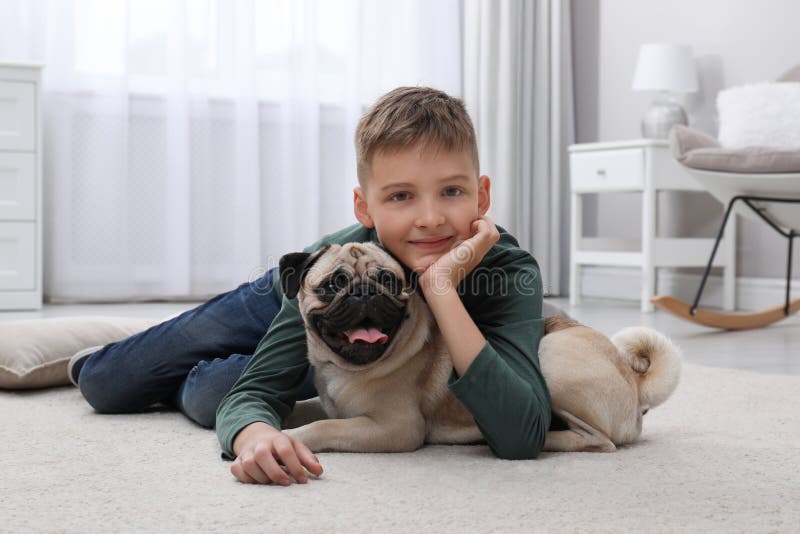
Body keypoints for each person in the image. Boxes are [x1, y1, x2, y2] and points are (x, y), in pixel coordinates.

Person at [71, 86, 552, 487]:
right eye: (401, 196)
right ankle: (103, 347)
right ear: (364, 209)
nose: (430, 218)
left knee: (210, 395)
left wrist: (441, 287)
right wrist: (255, 429)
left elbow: (520, 434)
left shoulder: (506, 273)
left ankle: (191, 370)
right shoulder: (335, 251)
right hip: (312, 295)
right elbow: (262, 386)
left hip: (352, 362)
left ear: (482, 195)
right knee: (106, 384)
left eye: (451, 191)